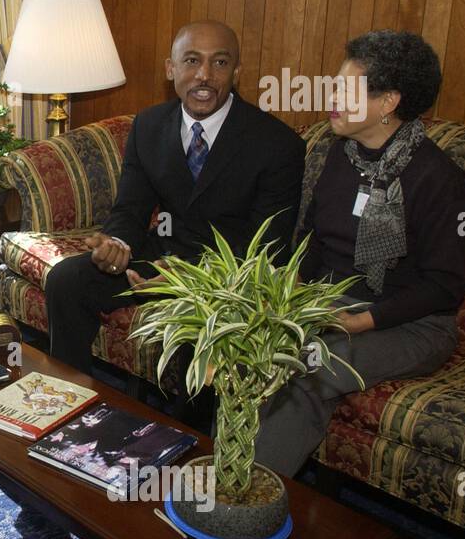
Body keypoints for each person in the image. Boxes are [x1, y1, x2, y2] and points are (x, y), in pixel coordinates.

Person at [253, 31, 465, 476]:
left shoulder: (440, 179)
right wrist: (288, 293)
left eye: (345, 89)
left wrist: (360, 321)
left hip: (411, 324)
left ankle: (247, 501)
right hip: (332, 301)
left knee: (307, 367)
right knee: (247, 337)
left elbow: (445, 286)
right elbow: (314, 240)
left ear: (388, 102)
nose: (330, 96)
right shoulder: (340, 156)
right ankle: (215, 466)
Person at [46, 20, 306, 375]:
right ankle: (68, 399)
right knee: (68, 279)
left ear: (236, 72)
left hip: (227, 278)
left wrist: (189, 278)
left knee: (195, 324)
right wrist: (117, 246)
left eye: (219, 63)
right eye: (191, 61)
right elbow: (130, 209)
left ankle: (192, 429)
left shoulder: (276, 144)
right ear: (171, 69)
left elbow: (268, 246)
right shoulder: (150, 125)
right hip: (163, 256)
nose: (204, 75)